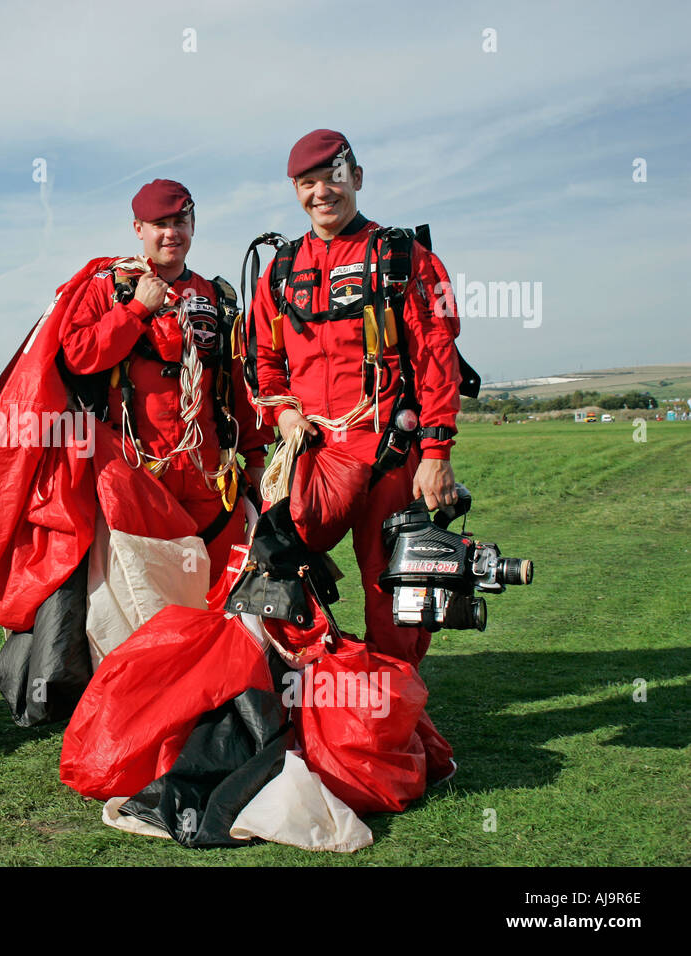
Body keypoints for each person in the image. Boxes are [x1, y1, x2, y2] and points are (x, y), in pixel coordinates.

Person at [247, 129, 461, 778]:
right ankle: (316, 709)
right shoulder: (281, 270)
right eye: (307, 183)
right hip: (314, 462)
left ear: (358, 177)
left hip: (394, 460)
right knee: (274, 577)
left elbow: (436, 358)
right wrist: (283, 412)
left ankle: (391, 741)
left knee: (399, 603)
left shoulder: (404, 258)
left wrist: (436, 451)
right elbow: (262, 362)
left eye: (332, 176)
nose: (321, 191)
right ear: (295, 192)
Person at [59, 179, 272, 583]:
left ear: (193, 224)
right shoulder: (109, 289)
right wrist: (136, 309)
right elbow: (79, 355)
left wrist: (258, 461)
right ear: (138, 228)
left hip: (210, 475)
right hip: (138, 470)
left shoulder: (218, 297)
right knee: (146, 594)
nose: (171, 232)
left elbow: (238, 384)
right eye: (159, 223)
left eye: (180, 221)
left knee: (216, 590)